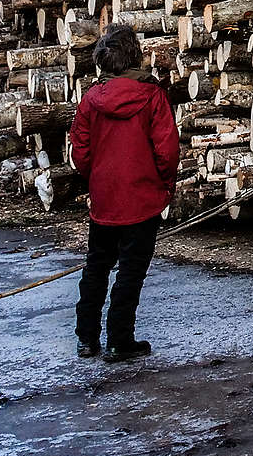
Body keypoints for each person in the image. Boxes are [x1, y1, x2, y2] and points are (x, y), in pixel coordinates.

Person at [69, 22, 178, 362]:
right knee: (130, 271)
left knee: (96, 268)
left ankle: (86, 338)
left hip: (105, 199)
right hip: (141, 199)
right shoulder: (152, 96)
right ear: (134, 56)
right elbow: (167, 150)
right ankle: (119, 340)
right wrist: (165, 185)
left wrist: (96, 180)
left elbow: (80, 150)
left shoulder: (90, 99)